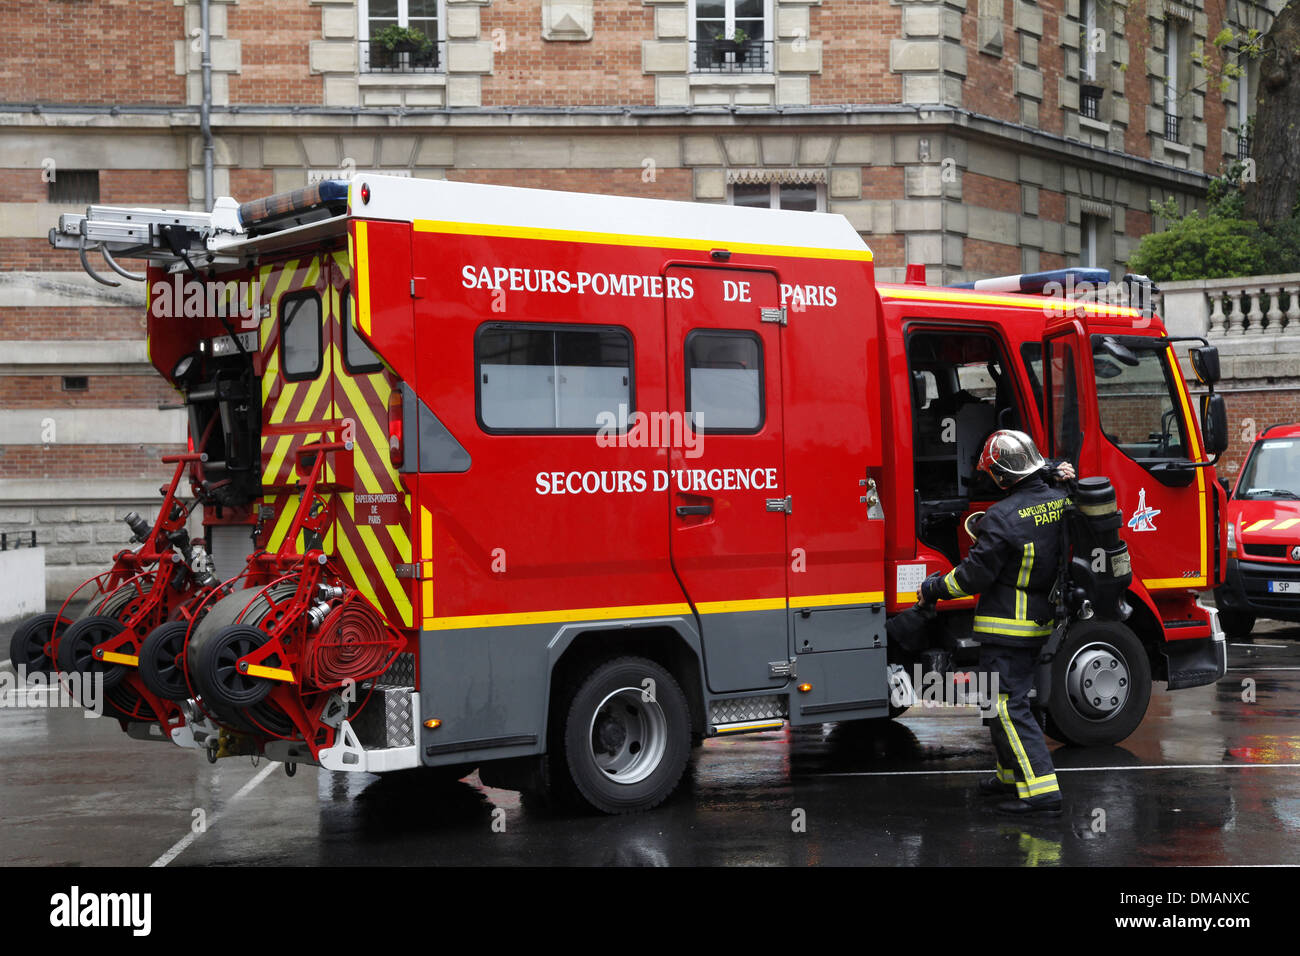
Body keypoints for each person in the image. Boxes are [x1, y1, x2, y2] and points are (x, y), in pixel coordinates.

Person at [919, 429, 1072, 816]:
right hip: (1040, 622)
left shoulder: (1001, 519)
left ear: (1002, 476)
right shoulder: (1060, 500)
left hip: (1008, 627)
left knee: (1005, 705)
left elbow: (972, 577)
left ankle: (1041, 791)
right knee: (1000, 701)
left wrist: (935, 587)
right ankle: (1009, 775)